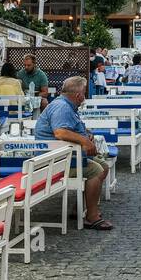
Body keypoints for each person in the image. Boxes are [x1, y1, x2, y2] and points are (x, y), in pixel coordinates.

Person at [34, 76, 112, 230]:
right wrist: (85, 141)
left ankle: (80, 206)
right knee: (96, 171)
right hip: (55, 161)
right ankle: (92, 217)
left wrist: (85, 133)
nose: (84, 97)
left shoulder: (65, 105)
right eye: (84, 93)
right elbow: (60, 132)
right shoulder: (62, 107)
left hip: (63, 156)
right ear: (78, 95)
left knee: (103, 166)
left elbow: (69, 128)